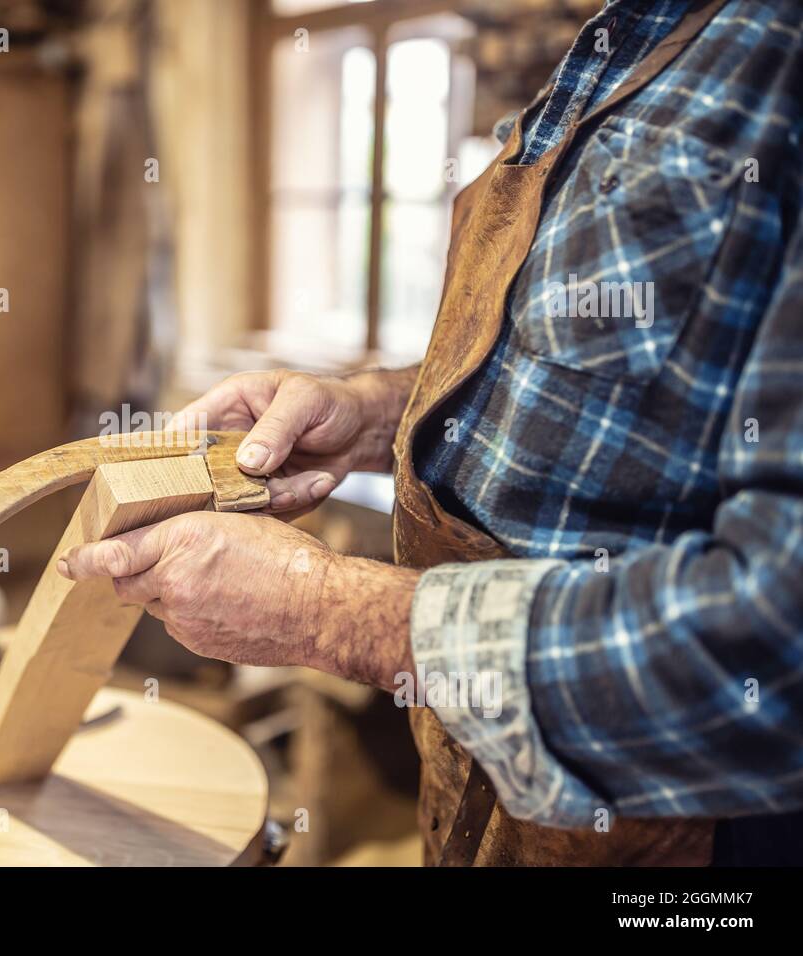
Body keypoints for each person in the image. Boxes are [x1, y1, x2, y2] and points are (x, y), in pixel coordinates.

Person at [58, 0, 803, 865]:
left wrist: (328, 615)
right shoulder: (640, 35)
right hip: (497, 807)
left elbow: (778, 642)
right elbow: (609, 380)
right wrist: (377, 412)